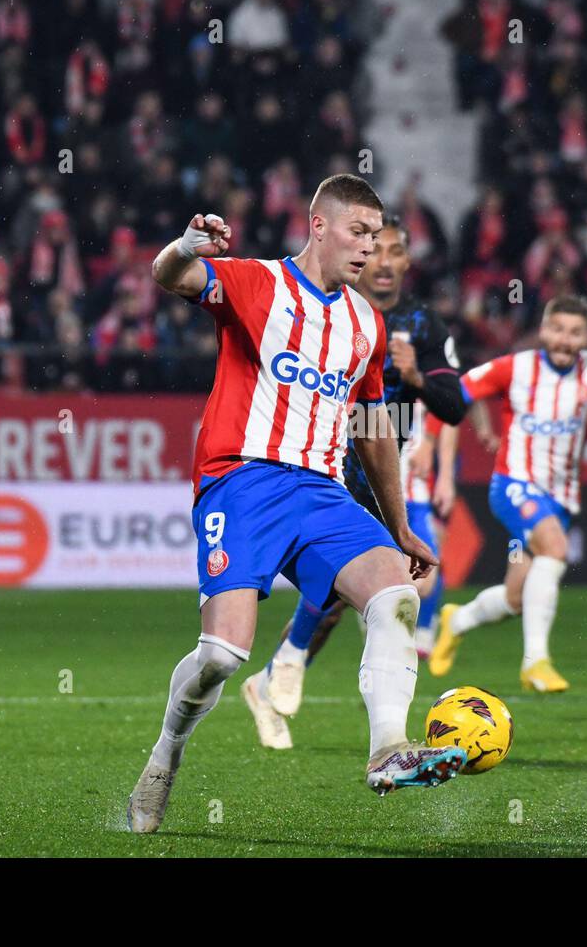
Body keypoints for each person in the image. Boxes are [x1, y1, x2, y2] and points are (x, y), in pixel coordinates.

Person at [127, 175, 464, 834]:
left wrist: (398, 527)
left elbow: (373, 431)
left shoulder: (367, 322)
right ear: (318, 226)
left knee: (396, 594)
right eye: (358, 232)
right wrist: (184, 245)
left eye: (378, 236)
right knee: (223, 657)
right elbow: (171, 276)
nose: (370, 249)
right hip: (241, 481)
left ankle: (388, 750)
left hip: (317, 490)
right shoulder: (258, 284)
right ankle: (167, 751)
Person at [238, 218, 467, 750]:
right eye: (375, 249)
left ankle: (280, 669)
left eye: (396, 251)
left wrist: (415, 380)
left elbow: (454, 407)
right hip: (328, 461)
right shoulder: (330, 311)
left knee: (380, 590)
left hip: (386, 469)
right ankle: (292, 673)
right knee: (368, 587)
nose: (384, 261)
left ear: (408, 261)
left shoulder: (424, 325)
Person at [429, 295, 587, 692]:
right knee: (556, 549)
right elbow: (453, 395)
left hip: (560, 496)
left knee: (517, 597)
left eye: (575, 332)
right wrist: (429, 442)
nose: (565, 339)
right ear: (544, 330)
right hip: (513, 485)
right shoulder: (516, 367)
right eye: (558, 329)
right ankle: (536, 663)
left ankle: (456, 620)